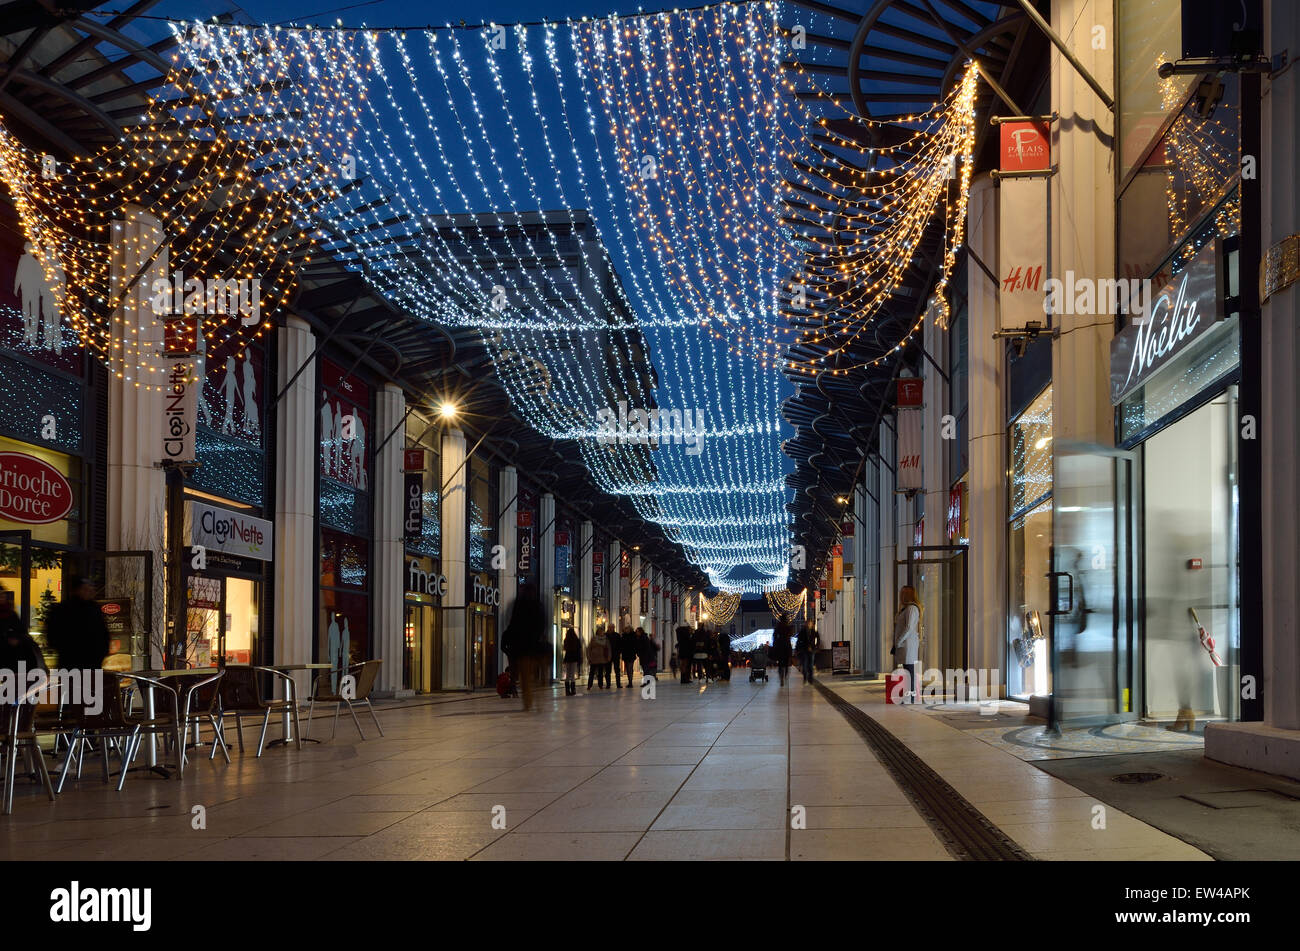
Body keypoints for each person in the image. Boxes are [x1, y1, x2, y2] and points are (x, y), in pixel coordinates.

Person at [44, 578, 110, 674]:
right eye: (87, 589)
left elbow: (52, 637)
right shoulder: (92, 609)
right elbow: (102, 634)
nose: (91, 592)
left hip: (70, 663)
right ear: (79, 590)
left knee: (71, 687)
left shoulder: (61, 609)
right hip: (88, 664)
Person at [501, 583, 548, 711]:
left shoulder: (519, 605)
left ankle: (528, 702)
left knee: (525, 677)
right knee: (533, 676)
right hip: (533, 647)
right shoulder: (538, 605)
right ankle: (535, 700)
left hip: (522, 648)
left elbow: (512, 624)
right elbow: (543, 624)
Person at [892, 586, 923, 704]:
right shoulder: (906, 609)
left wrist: (899, 640)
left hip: (907, 645)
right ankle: (909, 696)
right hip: (904, 644)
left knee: (909, 671)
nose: (900, 595)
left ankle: (910, 697)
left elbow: (909, 627)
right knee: (907, 670)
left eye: (902, 593)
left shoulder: (911, 609)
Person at [0, 595, 43, 674]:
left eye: (2, 596)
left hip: (11, 653)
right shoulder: (10, 613)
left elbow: (20, 630)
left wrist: (16, 638)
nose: (2, 598)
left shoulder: (10, 613)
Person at [587, 624, 611, 690]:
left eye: (602, 631)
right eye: (600, 631)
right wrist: (589, 657)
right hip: (594, 658)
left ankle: (600, 685)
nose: (601, 632)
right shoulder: (594, 639)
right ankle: (589, 685)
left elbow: (608, 649)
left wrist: (609, 657)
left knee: (600, 673)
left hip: (602, 658)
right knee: (592, 672)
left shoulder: (606, 639)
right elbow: (589, 648)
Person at [770, 618, 793, 685]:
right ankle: (785, 675)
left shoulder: (778, 627)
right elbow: (790, 635)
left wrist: (775, 644)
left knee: (780, 664)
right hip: (786, 647)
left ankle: (781, 677)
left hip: (779, 647)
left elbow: (774, 636)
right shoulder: (787, 627)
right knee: (786, 664)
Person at [562, 626, 583, 696]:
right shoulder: (576, 640)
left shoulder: (566, 640)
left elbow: (565, 649)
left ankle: (567, 691)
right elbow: (579, 649)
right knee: (573, 674)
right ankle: (573, 690)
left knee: (567, 675)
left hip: (568, 658)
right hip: (574, 658)